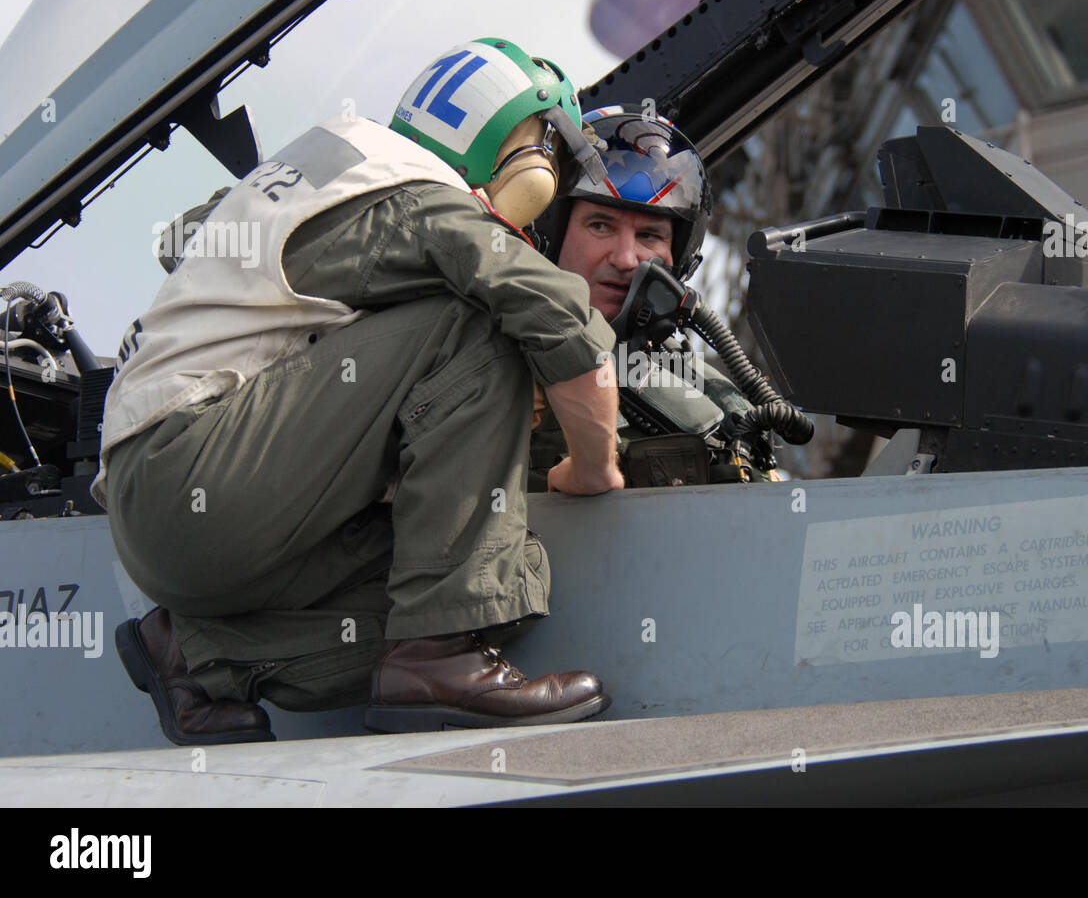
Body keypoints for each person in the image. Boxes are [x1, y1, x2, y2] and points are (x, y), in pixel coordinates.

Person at [97, 37, 627, 745]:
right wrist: (593, 465)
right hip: (196, 470)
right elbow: (555, 308)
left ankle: (196, 656)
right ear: (527, 148)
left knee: (500, 574)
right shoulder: (412, 198)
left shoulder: (333, 172)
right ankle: (440, 658)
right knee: (478, 324)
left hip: (178, 521)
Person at [526, 104, 769, 488]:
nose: (625, 259)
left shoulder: (712, 396)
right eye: (600, 226)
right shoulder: (489, 353)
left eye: (649, 236)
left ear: (680, 261)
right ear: (553, 235)